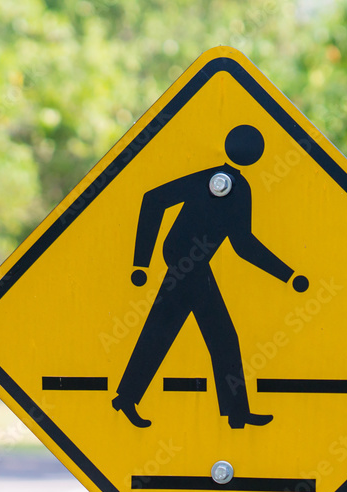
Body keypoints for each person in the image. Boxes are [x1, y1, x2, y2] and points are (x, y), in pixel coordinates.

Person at [112, 125, 308, 429]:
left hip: (194, 264)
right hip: (183, 260)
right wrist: (141, 263)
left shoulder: (240, 190)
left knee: (166, 329)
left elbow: (243, 245)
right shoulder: (210, 180)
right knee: (219, 335)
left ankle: (127, 398)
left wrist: (288, 275)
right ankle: (235, 413)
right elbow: (153, 200)